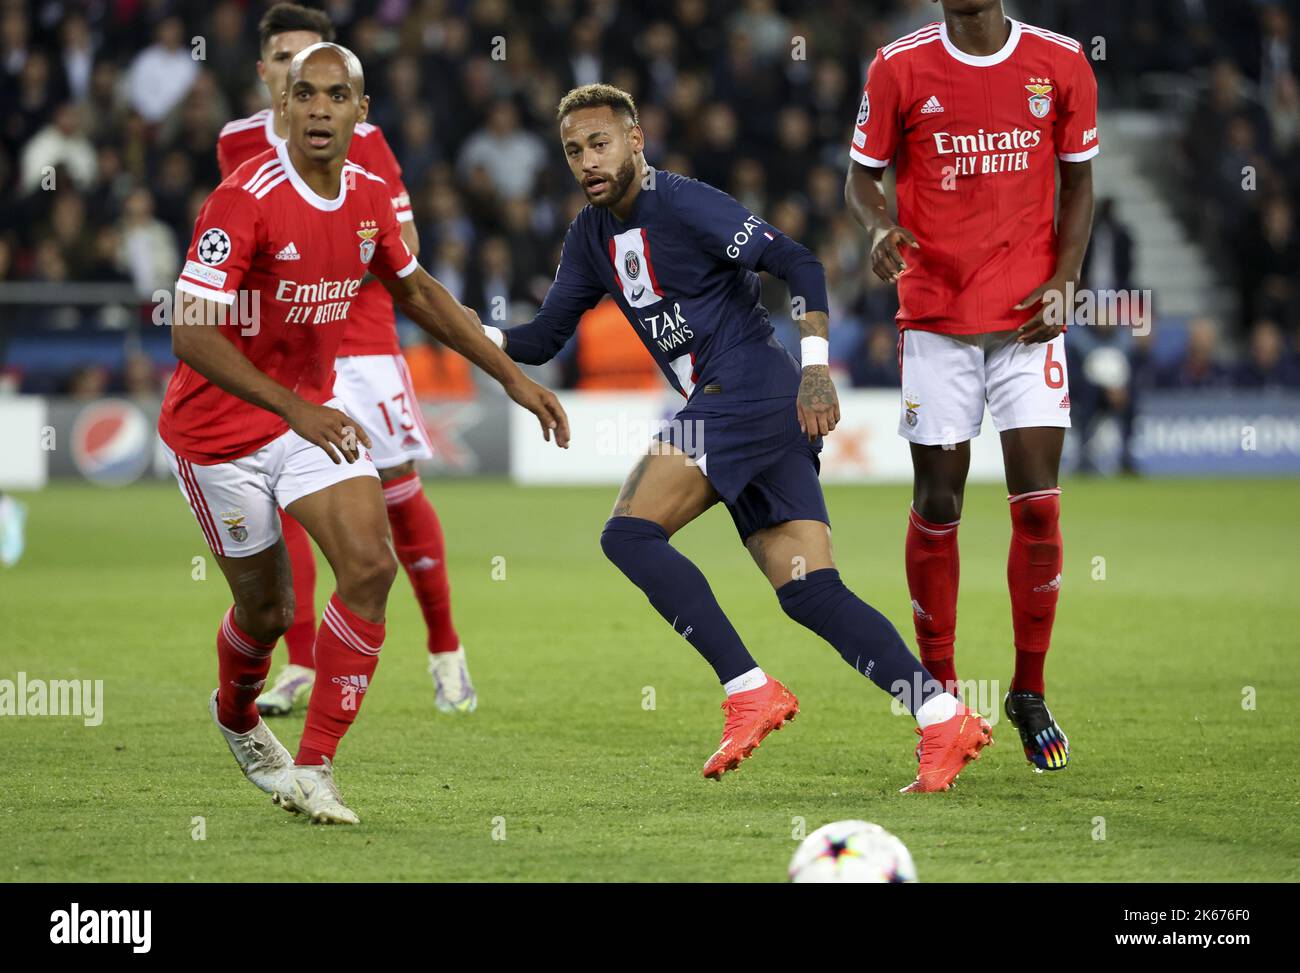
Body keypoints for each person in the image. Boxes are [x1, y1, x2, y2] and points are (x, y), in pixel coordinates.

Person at [481, 83, 991, 794]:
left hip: (749, 388)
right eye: (573, 150)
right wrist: (472, 331)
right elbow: (540, 338)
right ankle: (943, 716)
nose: (587, 161)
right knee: (810, 591)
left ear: (636, 140)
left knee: (628, 535)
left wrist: (817, 370)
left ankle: (748, 687)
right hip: (751, 407)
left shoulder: (686, 203)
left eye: (599, 143)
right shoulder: (589, 236)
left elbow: (800, 263)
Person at [161, 43, 566, 824]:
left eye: (336, 96)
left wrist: (511, 375)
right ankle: (236, 715)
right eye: (304, 94)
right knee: (268, 614)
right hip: (218, 434)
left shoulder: (371, 195)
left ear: (361, 111)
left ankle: (315, 767)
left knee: (370, 566)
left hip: (305, 420)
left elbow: (417, 291)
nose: (318, 108)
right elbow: (190, 332)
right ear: (282, 108)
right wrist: (293, 406)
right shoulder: (242, 198)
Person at [844, 0, 1098, 772]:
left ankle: (1028, 686)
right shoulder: (897, 65)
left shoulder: (1061, 63)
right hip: (936, 318)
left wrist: (1066, 279)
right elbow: (863, 176)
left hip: (1027, 320)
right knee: (941, 498)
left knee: (1039, 498)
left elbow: (1080, 183)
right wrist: (879, 226)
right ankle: (943, 700)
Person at [217, 3, 477, 717]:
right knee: (284, 499)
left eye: (317, 65)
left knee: (395, 489)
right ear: (269, 71)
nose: (302, 78)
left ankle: (446, 649)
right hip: (277, 351)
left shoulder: (365, 138)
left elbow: (407, 246)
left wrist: (324, 259)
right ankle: (299, 663)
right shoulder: (235, 142)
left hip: (359, 338)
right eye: (286, 61)